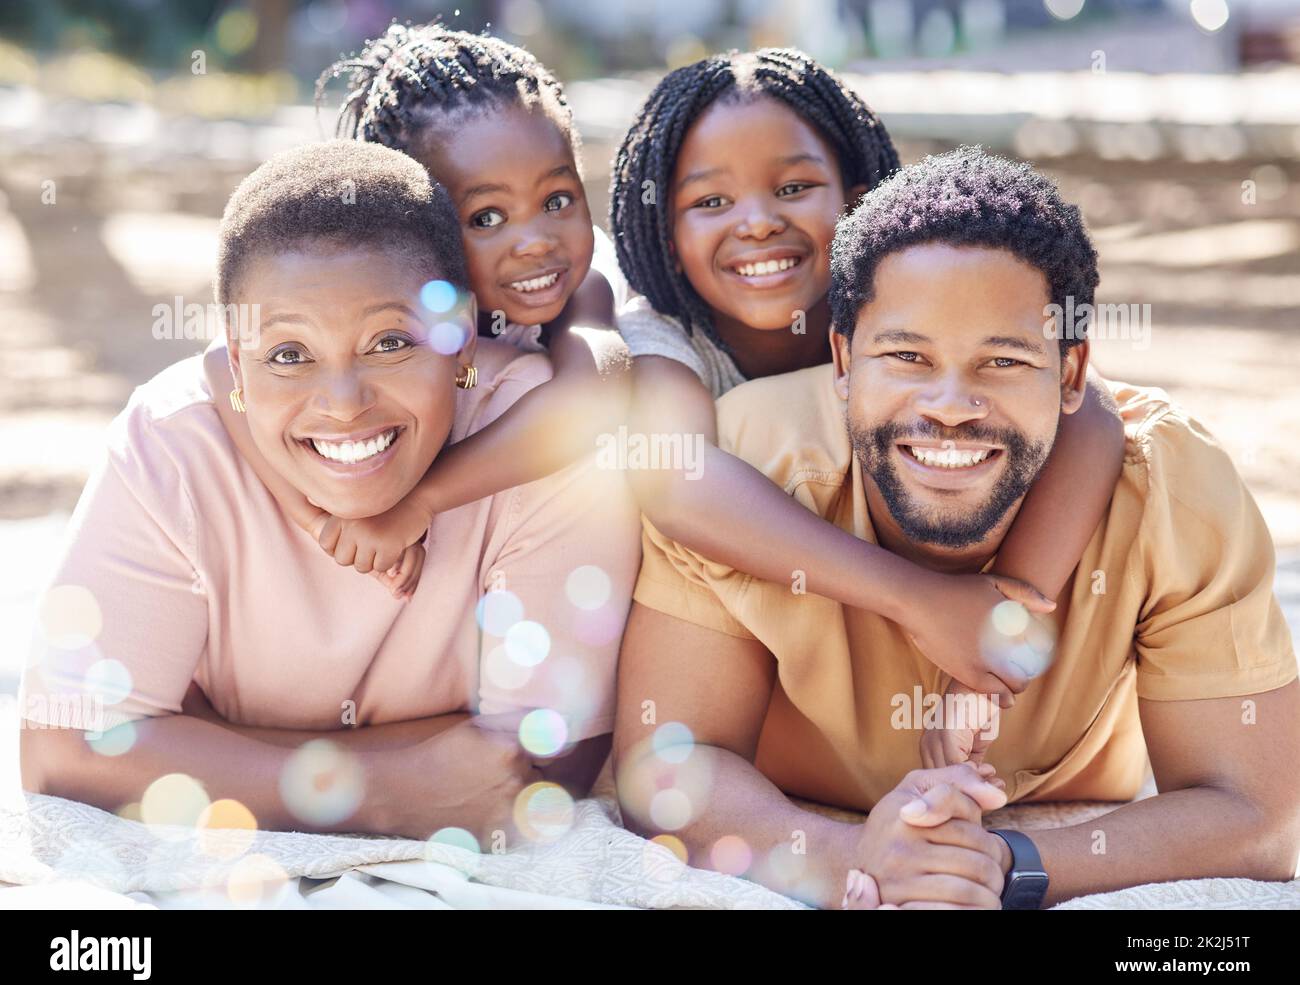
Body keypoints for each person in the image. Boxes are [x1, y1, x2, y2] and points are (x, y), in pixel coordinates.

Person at [613, 148, 1300, 909]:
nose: (948, 404)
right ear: (842, 361)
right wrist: (855, 858)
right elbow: (663, 765)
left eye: (1002, 361)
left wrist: (999, 866)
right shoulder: (751, 467)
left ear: (1071, 376)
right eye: (905, 356)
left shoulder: (1173, 489)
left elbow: (1259, 817)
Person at [20, 140, 641, 847]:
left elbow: (539, 761)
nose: (343, 405)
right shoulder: (172, 444)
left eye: (390, 344)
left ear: (461, 340)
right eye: (289, 355)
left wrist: (199, 742)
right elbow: (62, 752)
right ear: (235, 360)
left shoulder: (547, 446)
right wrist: (380, 791)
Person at [610, 49, 1125, 702]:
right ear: (662, 230)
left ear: (857, 200)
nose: (759, 220)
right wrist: (918, 599)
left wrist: (1005, 617)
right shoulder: (662, 332)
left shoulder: (903, 295)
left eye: (793, 188)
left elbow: (1093, 414)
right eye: (711, 200)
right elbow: (676, 478)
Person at [204, 24, 631, 598]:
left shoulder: (585, 288)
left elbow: (593, 400)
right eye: (486, 217)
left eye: (557, 200)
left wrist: (421, 503)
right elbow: (216, 366)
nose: (536, 241)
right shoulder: (374, 298)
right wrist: (324, 522)